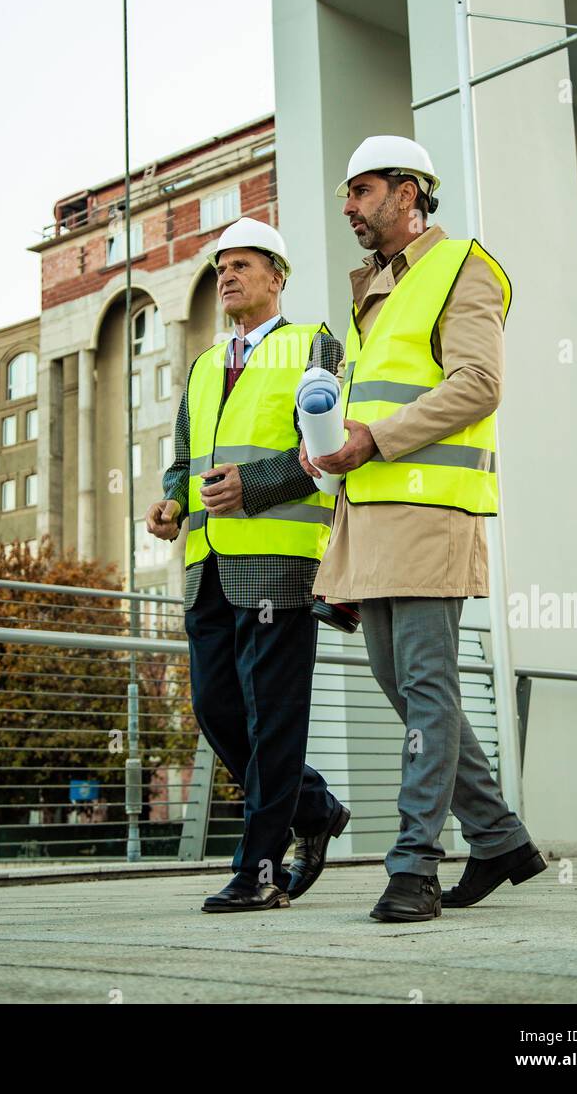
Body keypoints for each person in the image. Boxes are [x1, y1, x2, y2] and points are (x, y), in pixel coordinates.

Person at [302, 136, 547, 921]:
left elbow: (479, 383)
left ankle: (413, 866)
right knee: (407, 689)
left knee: (428, 689)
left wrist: (374, 438)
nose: (348, 206)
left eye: (362, 190)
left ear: (409, 193)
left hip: (432, 511)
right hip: (369, 515)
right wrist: (330, 451)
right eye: (348, 194)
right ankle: (501, 838)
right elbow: (371, 398)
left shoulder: (464, 265)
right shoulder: (372, 288)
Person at [147, 216, 350, 913]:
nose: (226, 277)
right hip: (205, 564)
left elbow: (326, 448)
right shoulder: (205, 366)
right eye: (219, 268)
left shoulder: (314, 345)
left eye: (240, 265)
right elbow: (184, 463)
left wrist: (254, 487)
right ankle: (316, 808)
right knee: (216, 709)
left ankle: (258, 871)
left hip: (278, 561)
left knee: (275, 718)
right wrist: (172, 504)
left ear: (277, 277)